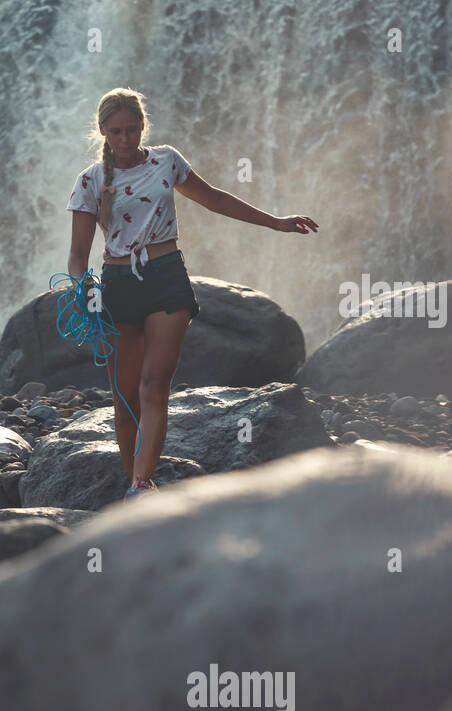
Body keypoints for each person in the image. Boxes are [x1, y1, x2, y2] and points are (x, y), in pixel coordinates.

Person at [66, 87, 318, 502]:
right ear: (102, 132)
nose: (126, 139)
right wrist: (81, 287)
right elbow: (77, 255)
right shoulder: (90, 181)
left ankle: (141, 483)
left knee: (153, 385)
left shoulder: (167, 160)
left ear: (143, 127)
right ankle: (135, 485)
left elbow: (214, 198)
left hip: (167, 277)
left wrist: (275, 222)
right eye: (117, 132)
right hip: (116, 285)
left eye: (133, 129)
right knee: (124, 396)